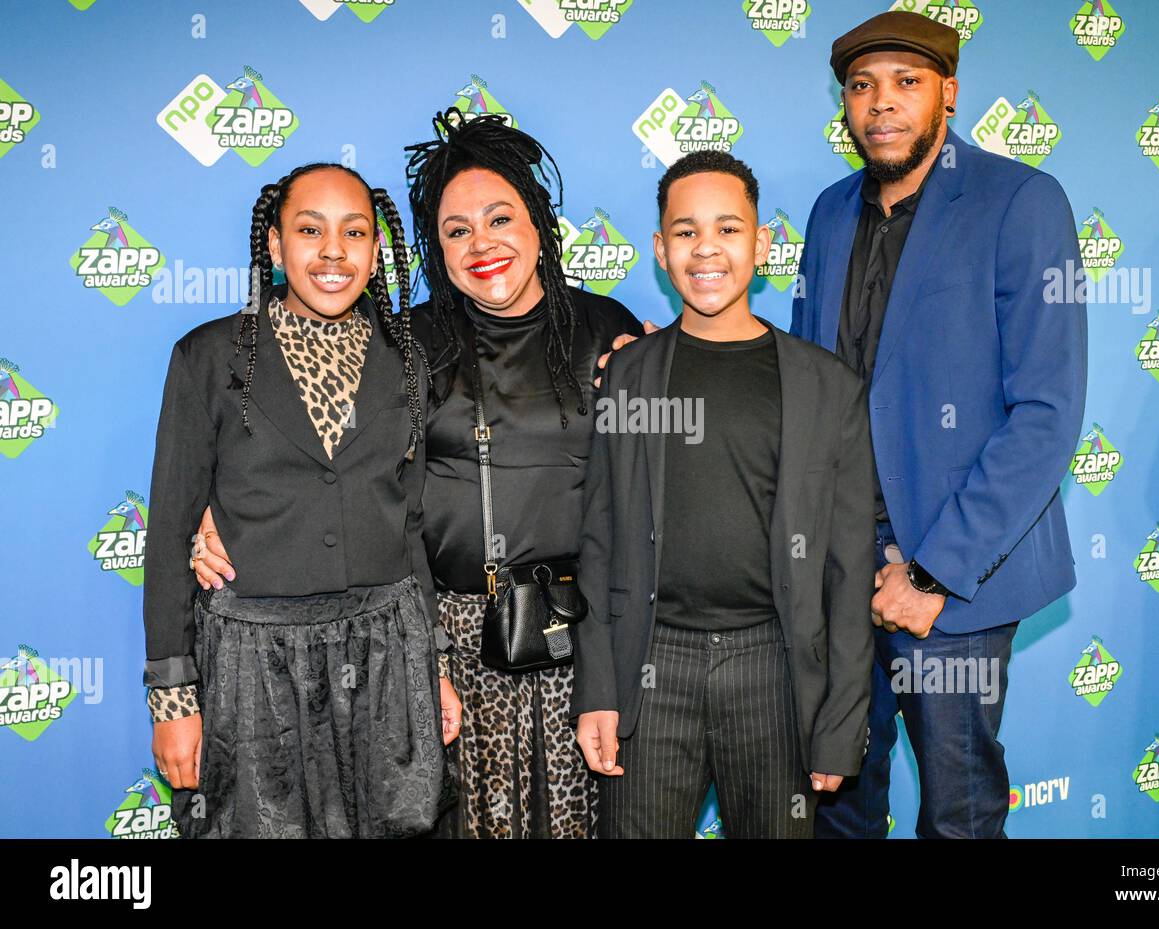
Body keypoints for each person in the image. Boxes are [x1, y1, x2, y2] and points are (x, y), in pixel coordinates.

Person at [192, 113, 646, 839]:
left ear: (539, 223)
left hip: (580, 634)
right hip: (449, 643)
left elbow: (654, 483)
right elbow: (322, 444)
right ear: (435, 249)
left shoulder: (608, 329)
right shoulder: (411, 340)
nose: (482, 243)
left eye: (500, 218)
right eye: (456, 229)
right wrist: (215, 513)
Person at [792, 11, 1087, 839]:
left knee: (958, 814)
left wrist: (929, 576)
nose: (881, 104)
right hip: (838, 564)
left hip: (956, 575)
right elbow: (810, 381)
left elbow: (1045, 414)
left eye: (906, 83)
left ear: (947, 94)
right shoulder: (827, 213)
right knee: (837, 803)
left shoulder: (1021, 200)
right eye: (861, 86)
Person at [144, 162, 460, 838]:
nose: (334, 252)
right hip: (252, 664)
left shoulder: (407, 357)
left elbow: (410, 524)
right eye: (309, 230)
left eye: (354, 232)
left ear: (377, 253)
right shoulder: (208, 355)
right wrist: (173, 700)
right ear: (275, 246)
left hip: (386, 655)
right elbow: (170, 533)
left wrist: (433, 667)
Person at [573, 150, 875, 839]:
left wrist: (840, 717)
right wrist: (595, 690)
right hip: (649, 665)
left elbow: (849, 566)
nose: (706, 248)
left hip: (774, 666)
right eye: (685, 232)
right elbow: (599, 539)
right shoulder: (629, 375)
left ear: (761, 244)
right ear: (659, 249)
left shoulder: (828, 388)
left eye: (728, 229)